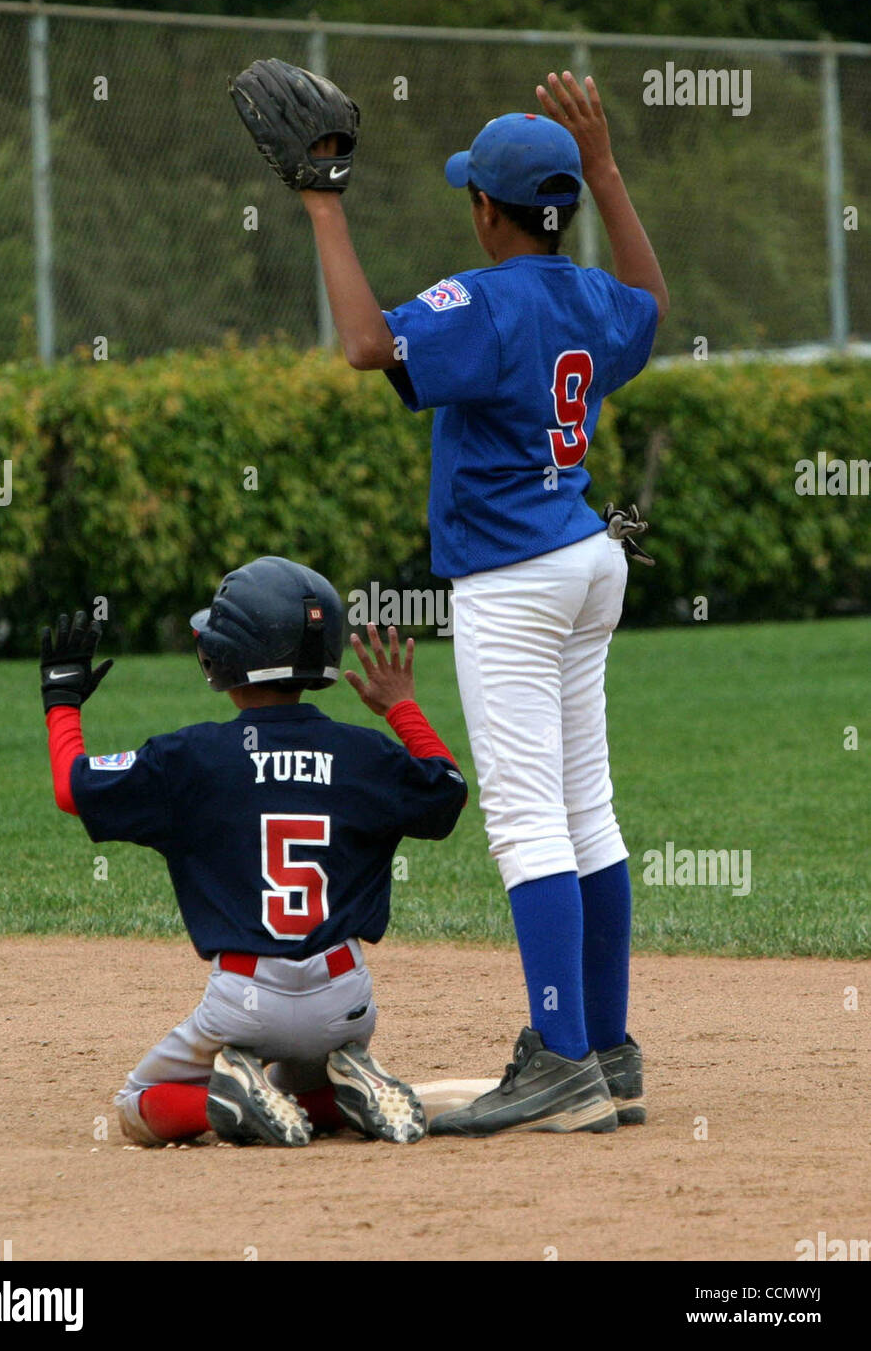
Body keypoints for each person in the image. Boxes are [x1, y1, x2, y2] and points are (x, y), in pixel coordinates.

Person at [299, 72, 668, 1135]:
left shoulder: (483, 298)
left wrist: (324, 204)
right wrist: (606, 169)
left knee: (525, 820)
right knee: (585, 807)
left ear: (486, 211)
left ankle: (559, 1061)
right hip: (589, 560)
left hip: (515, 576)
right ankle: (606, 1048)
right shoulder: (592, 296)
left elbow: (370, 344)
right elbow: (653, 306)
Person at [39, 557, 467, 1146]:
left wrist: (62, 699)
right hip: (343, 1001)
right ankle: (339, 1099)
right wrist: (401, 707)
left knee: (137, 1104)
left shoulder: (190, 758)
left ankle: (230, 1101)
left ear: (221, 660)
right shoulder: (366, 755)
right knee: (294, 1079)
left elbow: (71, 789)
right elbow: (448, 791)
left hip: (244, 1000)